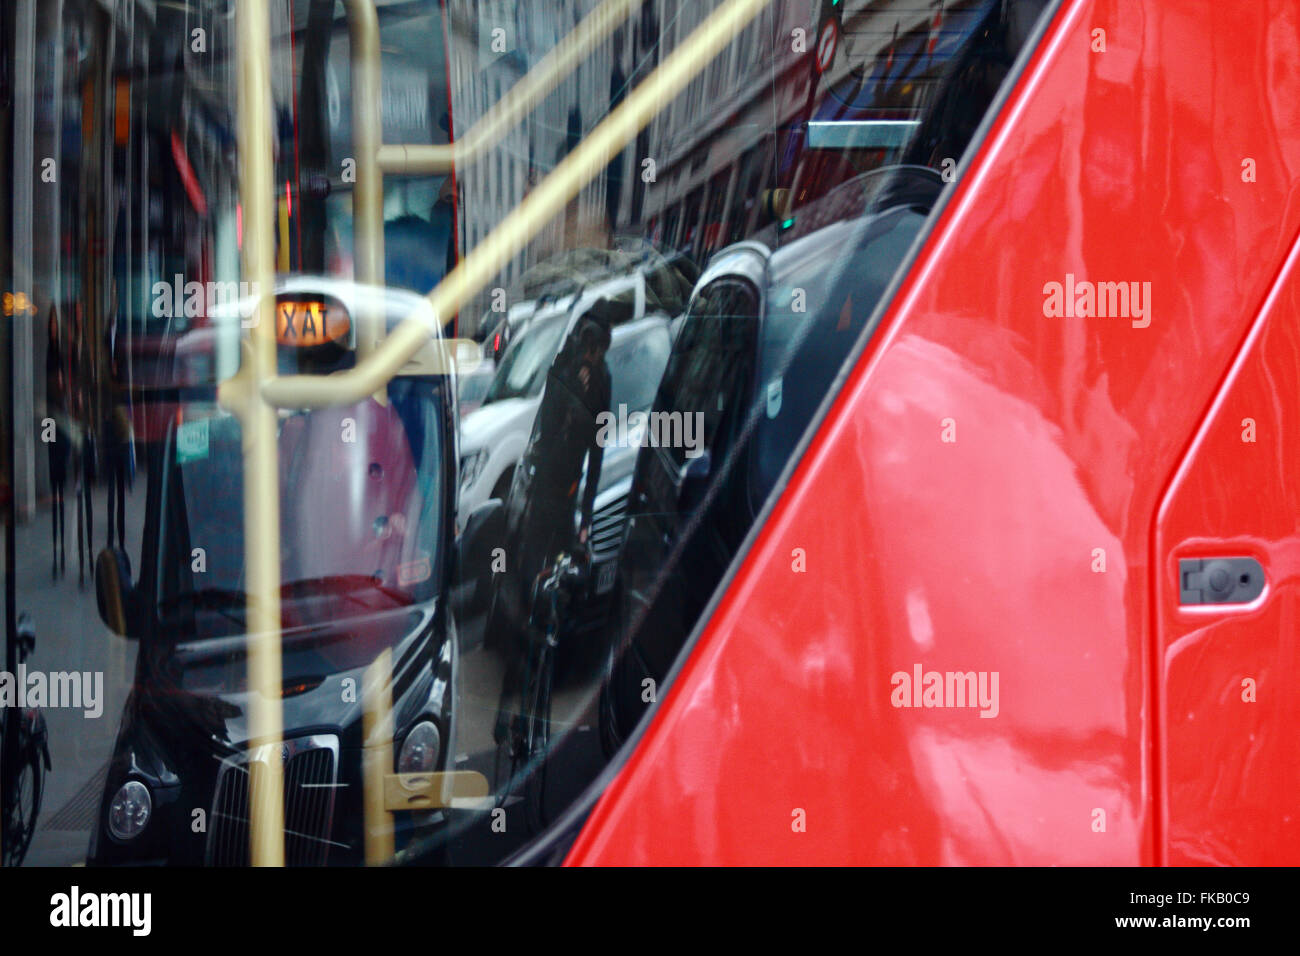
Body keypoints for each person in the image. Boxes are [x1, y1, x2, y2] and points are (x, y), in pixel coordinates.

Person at [488, 299, 613, 756]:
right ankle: (508, 700)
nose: (590, 355)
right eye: (587, 345)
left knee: (556, 600)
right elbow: (546, 428)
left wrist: (586, 519)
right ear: (580, 340)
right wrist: (569, 395)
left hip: (565, 506)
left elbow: (597, 452)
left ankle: (535, 706)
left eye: (597, 349)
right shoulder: (562, 367)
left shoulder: (604, 382)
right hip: (541, 499)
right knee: (525, 592)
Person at [45, 305, 70, 579]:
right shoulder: (49, 354)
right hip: (52, 422)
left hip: (60, 422)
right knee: (56, 486)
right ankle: (56, 547)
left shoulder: (63, 352)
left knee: (61, 484)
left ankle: (61, 548)